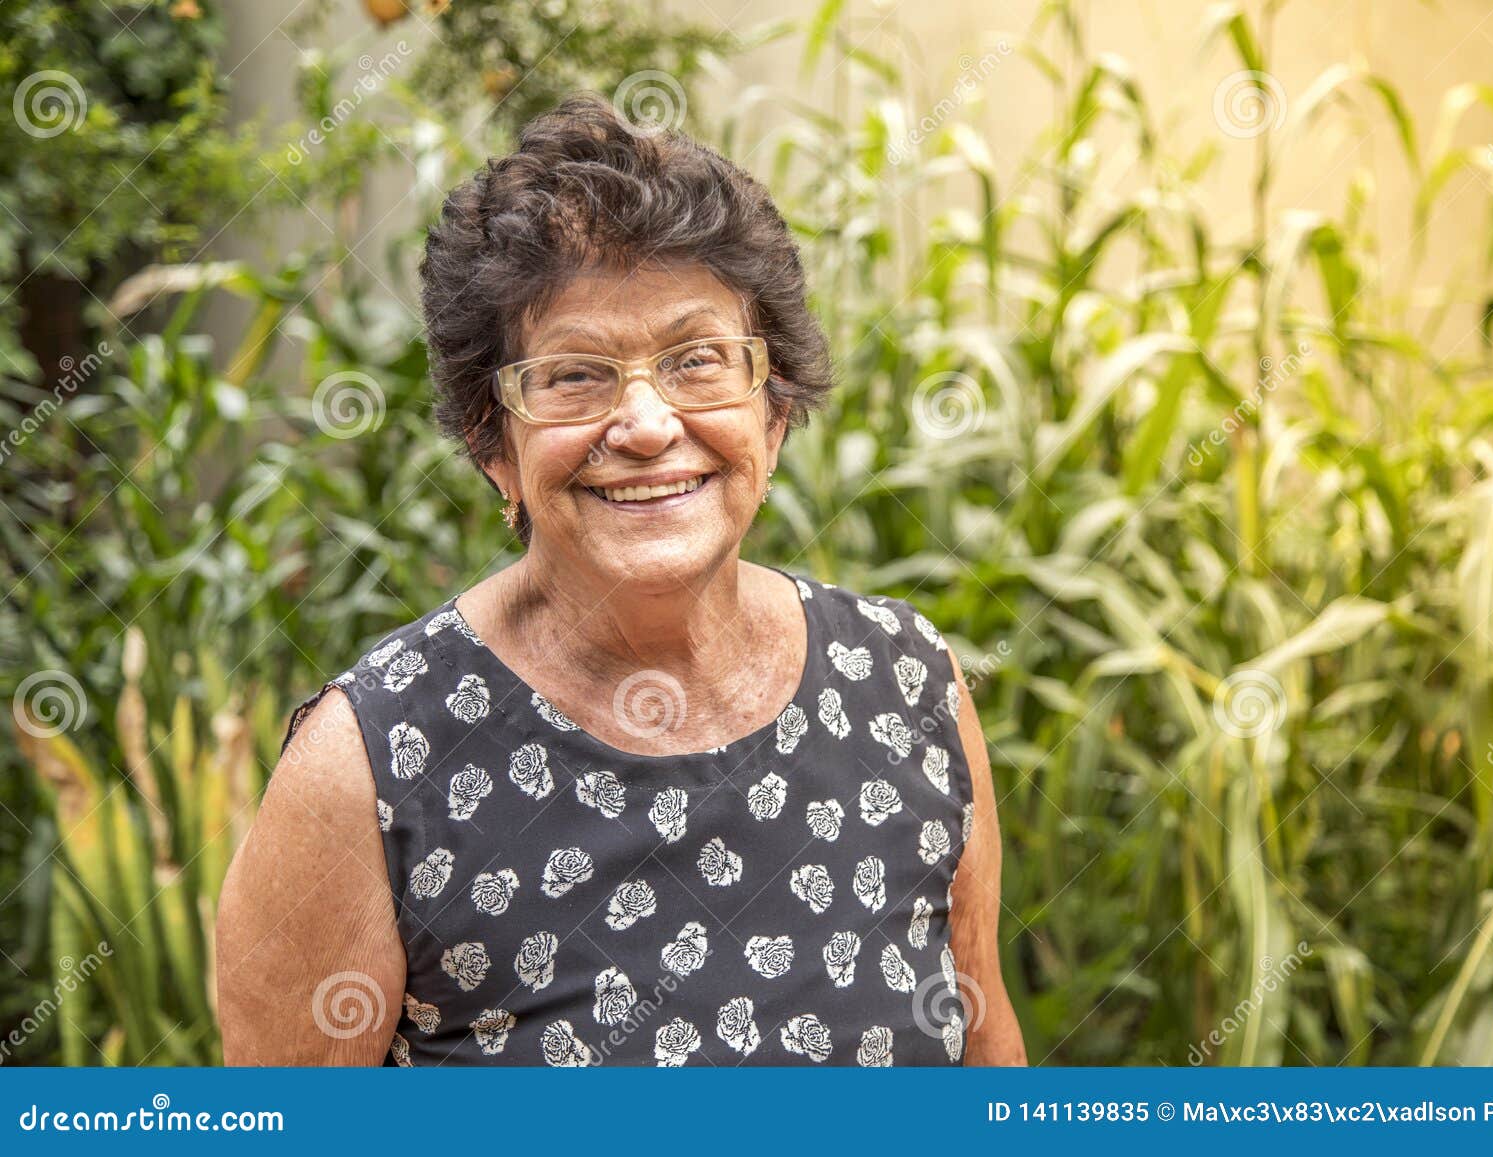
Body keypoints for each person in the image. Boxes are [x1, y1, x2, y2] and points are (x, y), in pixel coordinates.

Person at [216, 93, 1024, 1067]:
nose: (644, 424)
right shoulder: (368, 769)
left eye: (696, 360)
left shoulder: (907, 683)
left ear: (772, 417)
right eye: (574, 375)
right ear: (492, 445)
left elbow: (985, 1054)